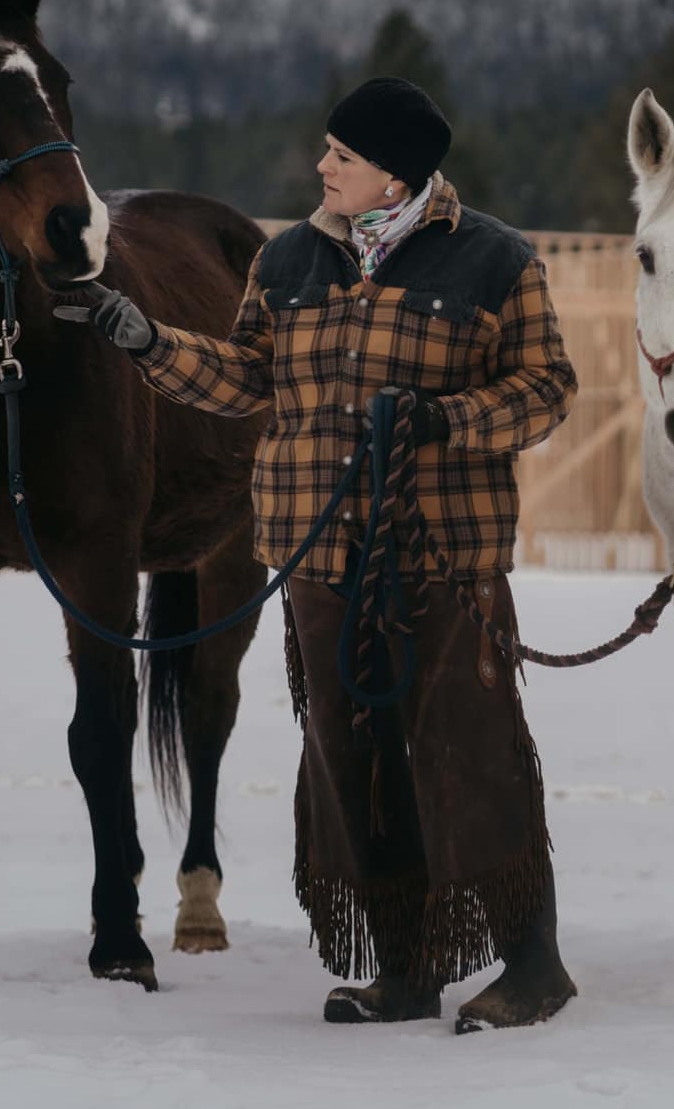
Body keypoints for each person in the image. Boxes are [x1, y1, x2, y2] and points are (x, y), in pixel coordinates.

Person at [57, 76, 579, 1032]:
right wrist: (144, 342)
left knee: (470, 754)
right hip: (320, 557)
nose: (322, 165)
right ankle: (408, 968)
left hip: (442, 557)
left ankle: (533, 964)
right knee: (353, 762)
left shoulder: (494, 261)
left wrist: (446, 420)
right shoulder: (291, 259)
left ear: (394, 174)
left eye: (342, 154)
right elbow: (247, 376)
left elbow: (547, 388)